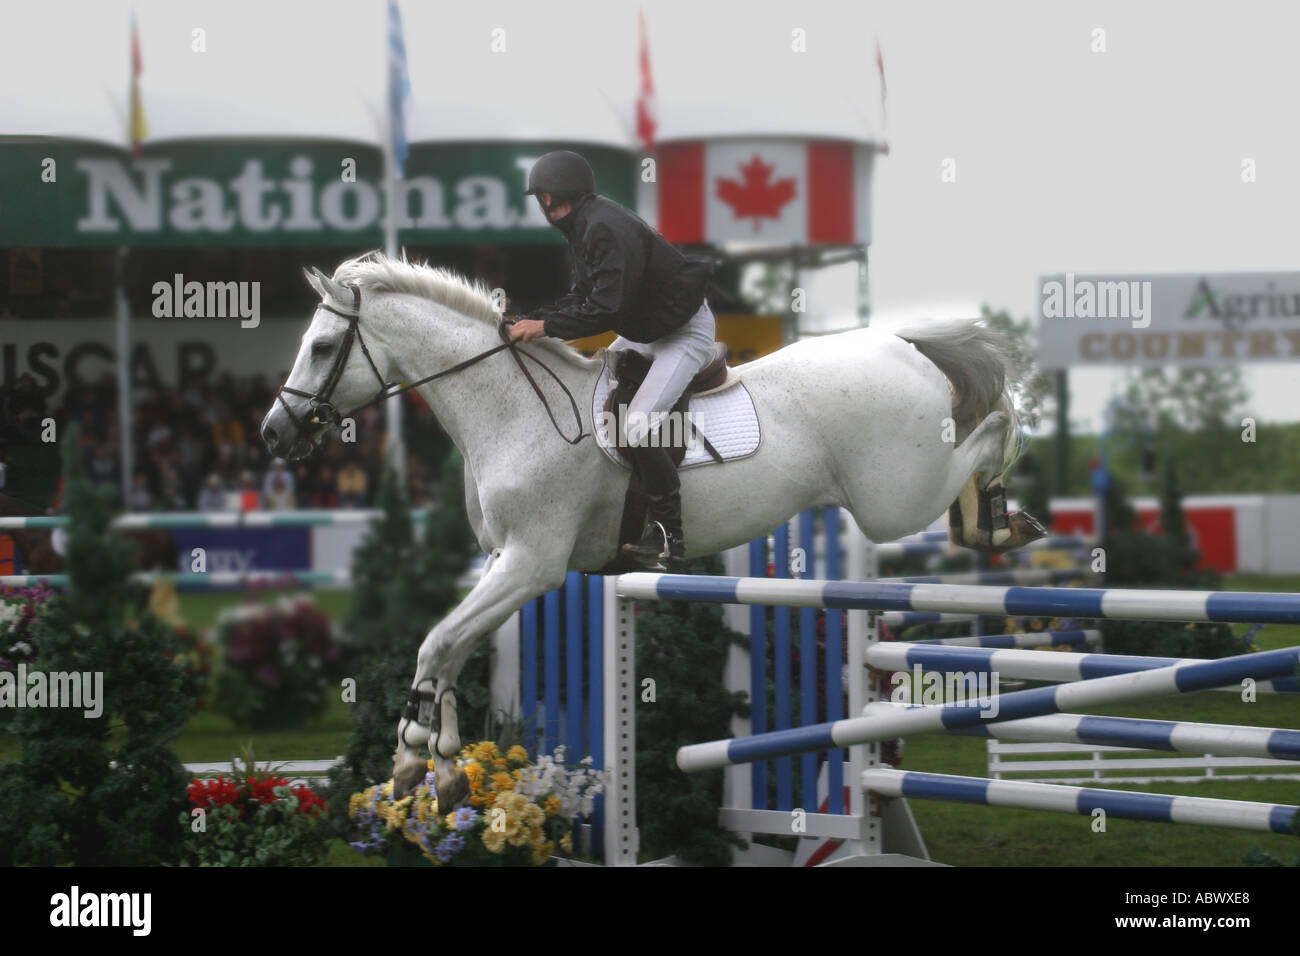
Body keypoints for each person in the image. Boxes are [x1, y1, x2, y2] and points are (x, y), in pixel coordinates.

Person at [510, 151, 714, 566]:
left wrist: (545, 328)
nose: (540, 205)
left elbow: (602, 309)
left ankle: (668, 533)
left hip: (682, 335)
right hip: (648, 331)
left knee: (636, 426)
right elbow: (580, 298)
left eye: (540, 197)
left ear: (552, 197)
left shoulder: (602, 228)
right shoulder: (585, 226)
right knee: (596, 382)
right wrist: (535, 319)